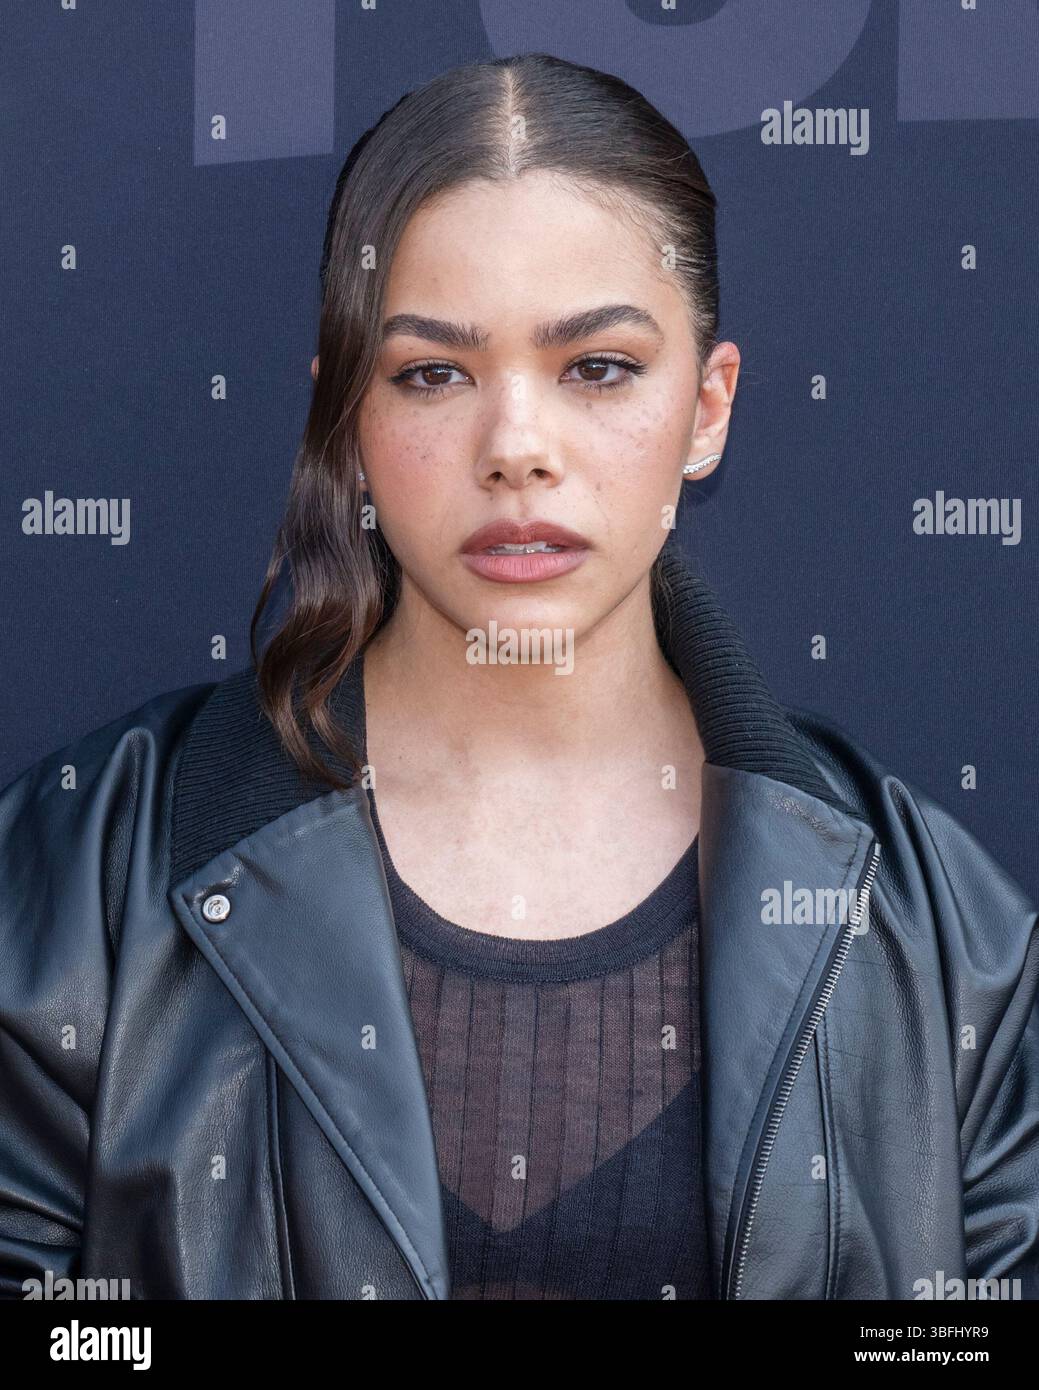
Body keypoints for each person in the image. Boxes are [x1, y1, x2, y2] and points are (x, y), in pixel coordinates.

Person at [1, 52, 1036, 1303]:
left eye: (597, 366)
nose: (516, 449)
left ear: (708, 408)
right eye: (433, 371)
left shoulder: (947, 946)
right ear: (347, 425)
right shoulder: (73, 898)